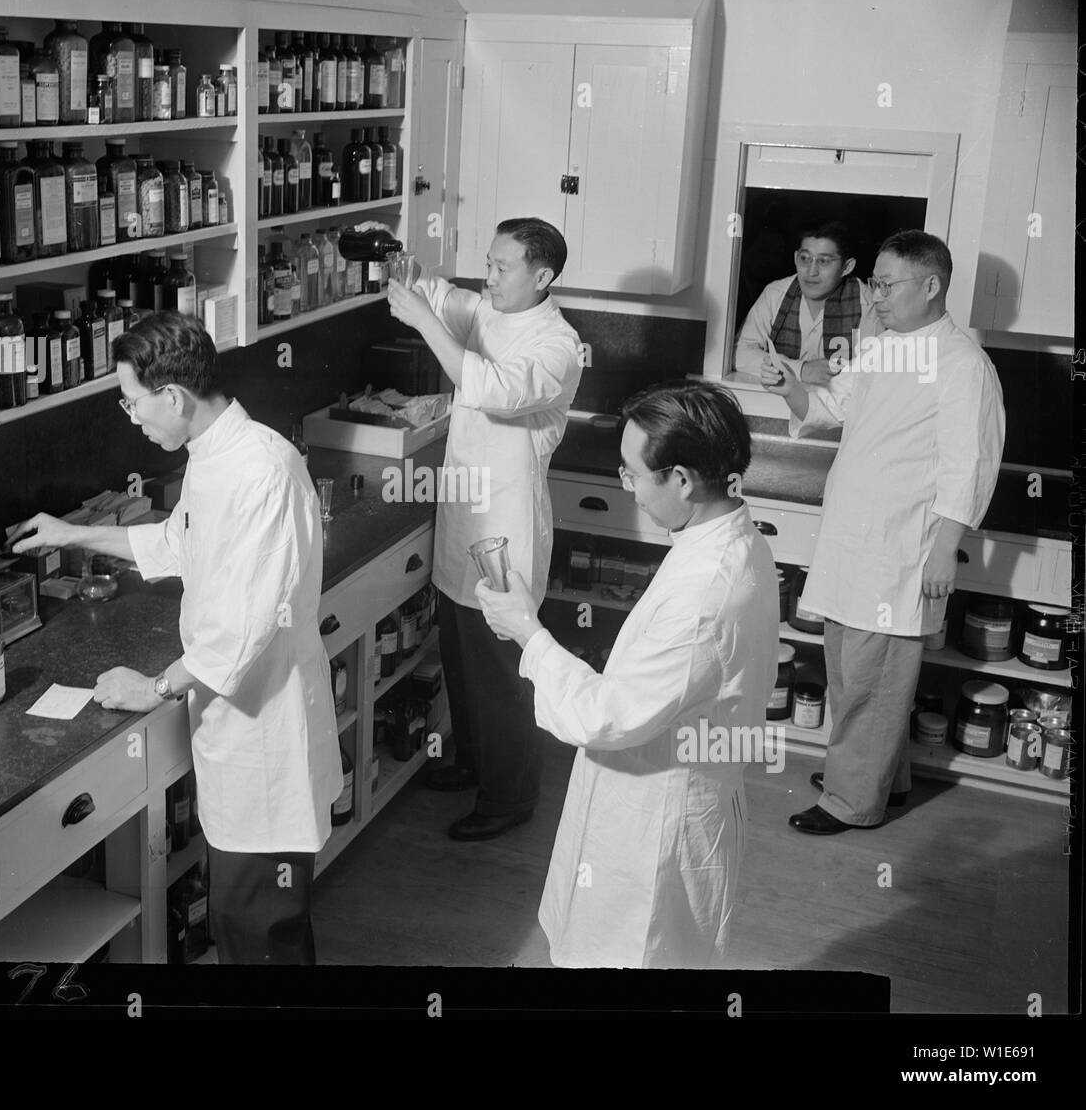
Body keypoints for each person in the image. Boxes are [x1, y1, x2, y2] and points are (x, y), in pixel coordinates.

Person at [9, 311, 342, 960]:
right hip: (234, 730)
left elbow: (238, 636)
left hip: (265, 742)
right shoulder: (213, 454)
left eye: (133, 402)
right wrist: (71, 531)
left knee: (257, 929)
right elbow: (174, 541)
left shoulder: (261, 472)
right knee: (247, 923)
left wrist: (155, 686)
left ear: (173, 397)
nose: (129, 416)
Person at [475, 381, 779, 967]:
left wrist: (528, 633)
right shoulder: (729, 538)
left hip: (655, 821)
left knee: (631, 954)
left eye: (633, 474)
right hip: (669, 788)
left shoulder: (704, 596)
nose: (628, 488)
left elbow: (604, 716)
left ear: (683, 480)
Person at [761, 230, 1005, 834]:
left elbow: (968, 466)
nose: (875, 295)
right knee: (853, 671)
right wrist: (791, 386)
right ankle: (880, 777)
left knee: (875, 680)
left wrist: (946, 550)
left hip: (902, 549)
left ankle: (852, 800)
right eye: (873, 281)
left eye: (886, 283)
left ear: (931, 285)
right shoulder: (884, 348)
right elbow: (832, 406)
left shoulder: (963, 365)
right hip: (855, 543)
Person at [386, 217, 584, 841]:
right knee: (462, 662)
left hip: (506, 530)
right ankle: (473, 763)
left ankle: (510, 796)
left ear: (542, 275)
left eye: (503, 268)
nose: (489, 277)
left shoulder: (557, 346)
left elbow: (493, 389)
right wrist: (393, 251)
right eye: (489, 264)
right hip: (463, 517)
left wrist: (423, 321)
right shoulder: (491, 309)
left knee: (501, 675)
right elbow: (437, 289)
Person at [734, 221, 876, 386]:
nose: (811, 271)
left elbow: (874, 368)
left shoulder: (865, 302)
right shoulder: (775, 294)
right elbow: (739, 351)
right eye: (805, 259)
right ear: (795, 258)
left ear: (847, 267)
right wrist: (800, 369)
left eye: (824, 261)